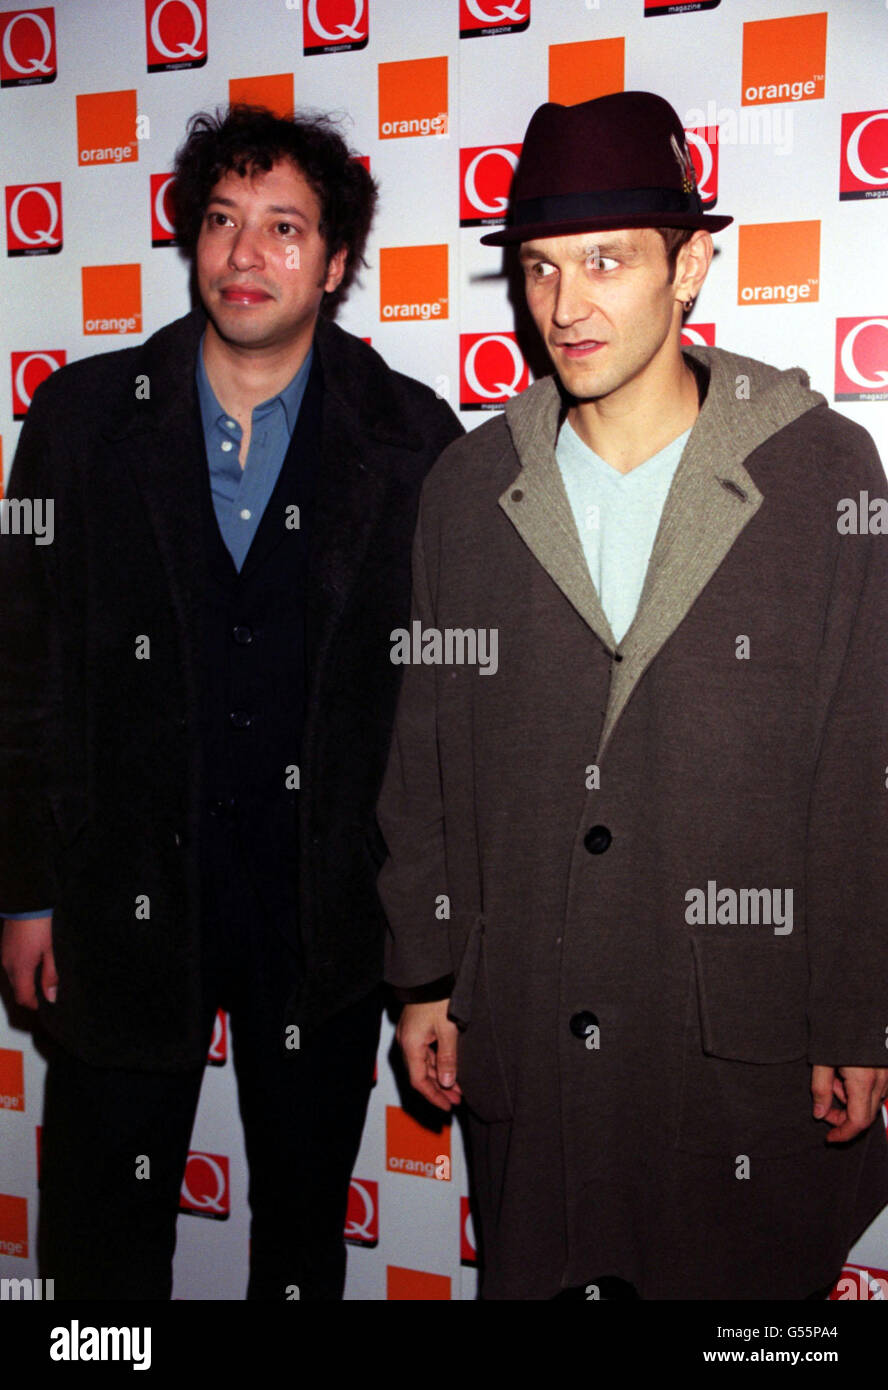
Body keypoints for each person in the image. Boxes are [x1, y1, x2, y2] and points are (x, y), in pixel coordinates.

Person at [378, 91, 888, 1300]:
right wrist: (426, 970)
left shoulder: (820, 471)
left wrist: (854, 1012)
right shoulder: (467, 488)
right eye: (543, 267)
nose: (566, 306)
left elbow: (858, 766)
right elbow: (427, 753)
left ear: (693, 264)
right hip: (533, 1019)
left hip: (732, 1028)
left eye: (608, 261)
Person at [0, 102, 462, 1300]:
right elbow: (23, 670)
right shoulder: (81, 422)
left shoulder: (413, 439)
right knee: (103, 1246)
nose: (246, 255)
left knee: (304, 1234)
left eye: (284, 227)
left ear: (339, 262)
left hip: (323, 915)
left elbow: (439, 717)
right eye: (221, 221)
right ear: (191, 239)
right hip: (118, 894)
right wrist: (26, 889)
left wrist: (430, 946)